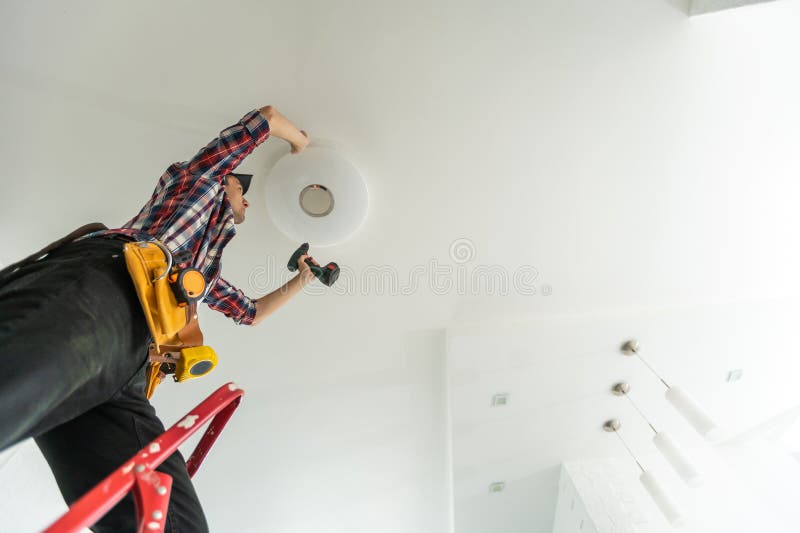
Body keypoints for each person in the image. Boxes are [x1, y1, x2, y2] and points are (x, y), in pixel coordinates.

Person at [0, 105, 316, 532]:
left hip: (132, 369)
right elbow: (265, 120)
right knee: (13, 382)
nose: (247, 203)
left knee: (177, 523)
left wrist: (303, 279)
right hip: (113, 286)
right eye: (243, 192)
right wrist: (301, 144)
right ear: (227, 181)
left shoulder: (203, 275)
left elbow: (252, 313)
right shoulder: (197, 182)